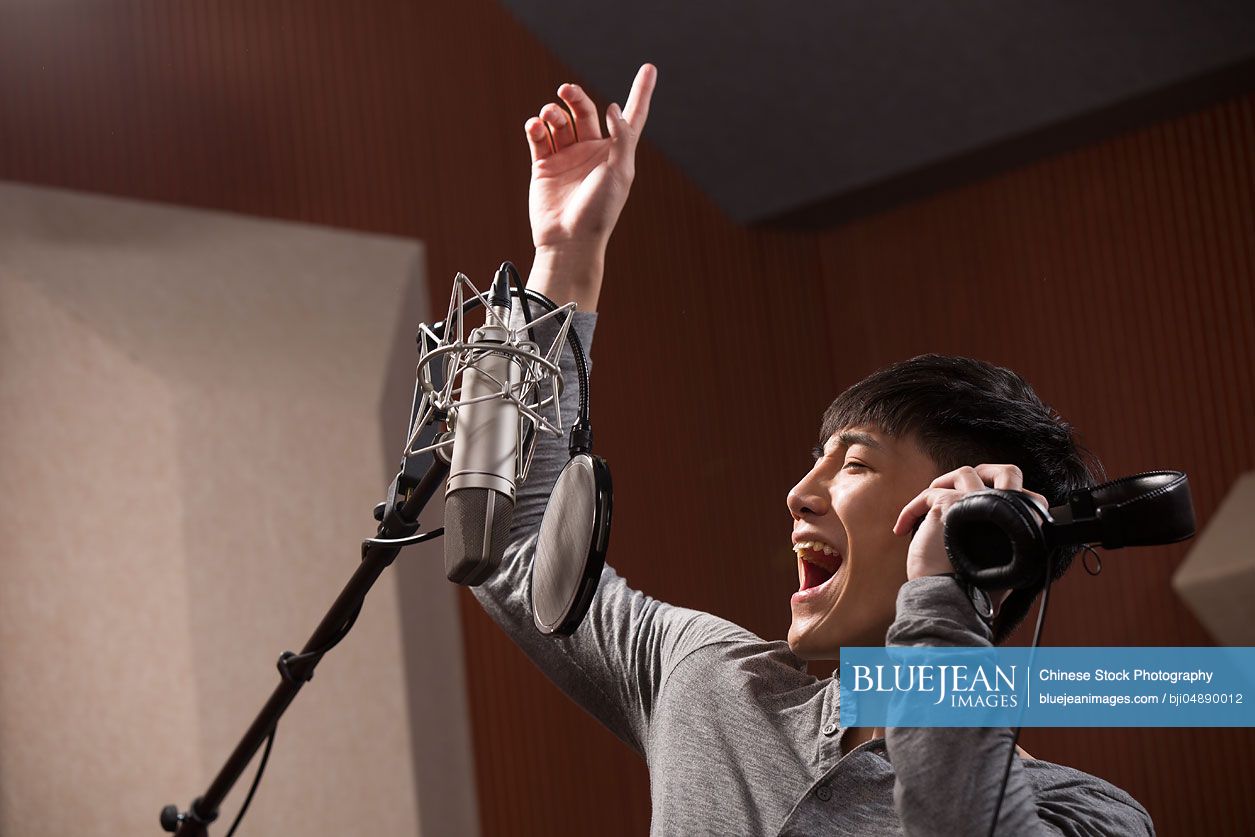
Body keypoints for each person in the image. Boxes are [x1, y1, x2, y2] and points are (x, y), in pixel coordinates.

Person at [471, 63, 1155, 835]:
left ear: (984, 530)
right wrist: (566, 258)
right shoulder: (708, 679)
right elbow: (514, 546)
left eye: (855, 463)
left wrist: (942, 598)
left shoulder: (1088, 814)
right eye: (817, 460)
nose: (798, 493)